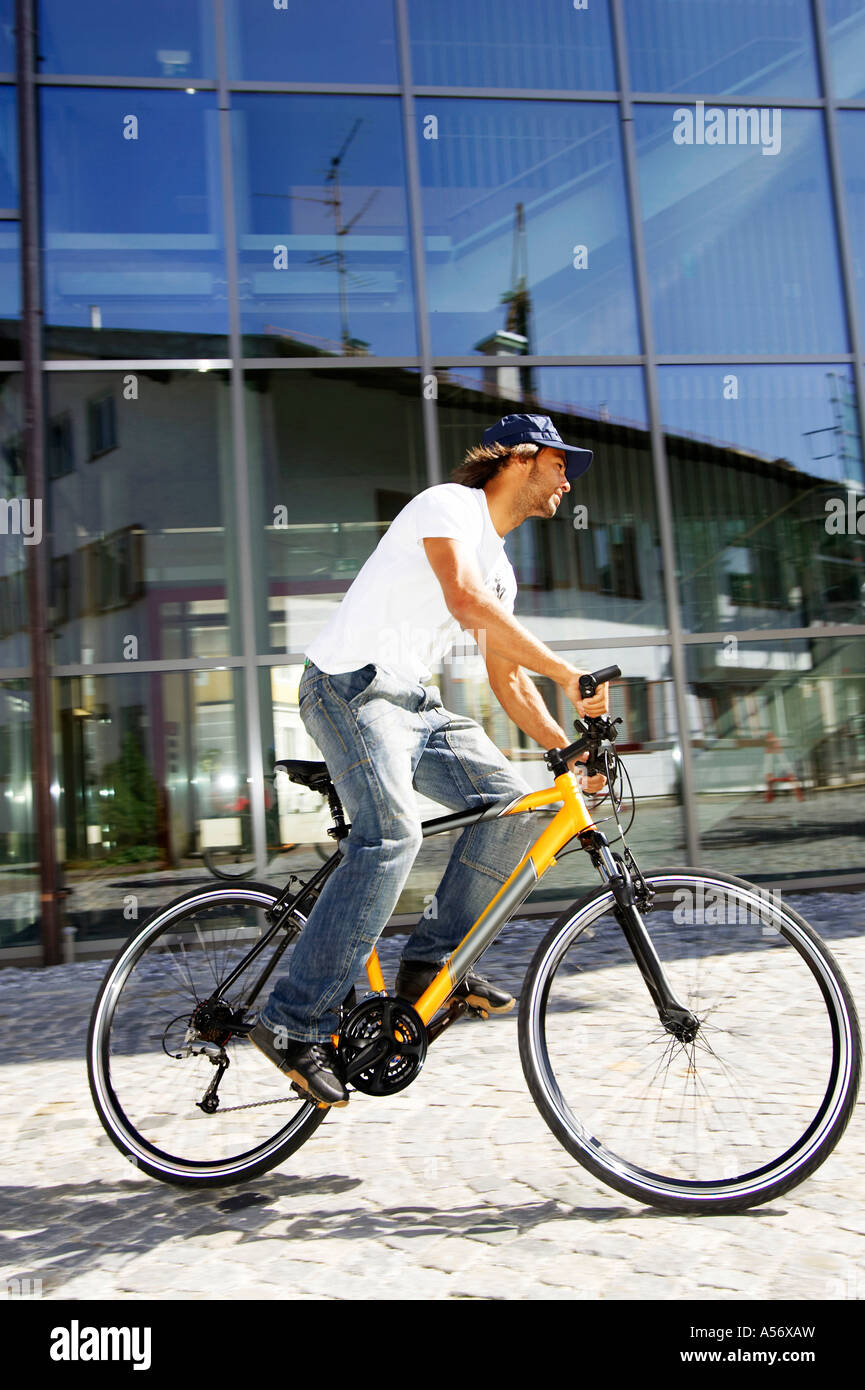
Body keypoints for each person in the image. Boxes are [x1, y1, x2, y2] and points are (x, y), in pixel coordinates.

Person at [249, 413, 611, 1105]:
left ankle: (430, 966)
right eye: (560, 464)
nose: (568, 481)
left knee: (514, 806)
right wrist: (568, 672)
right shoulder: (447, 506)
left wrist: (563, 750)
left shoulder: (500, 571)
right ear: (520, 458)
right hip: (349, 686)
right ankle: (293, 1022)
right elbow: (462, 601)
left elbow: (506, 678)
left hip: (415, 705)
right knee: (391, 835)